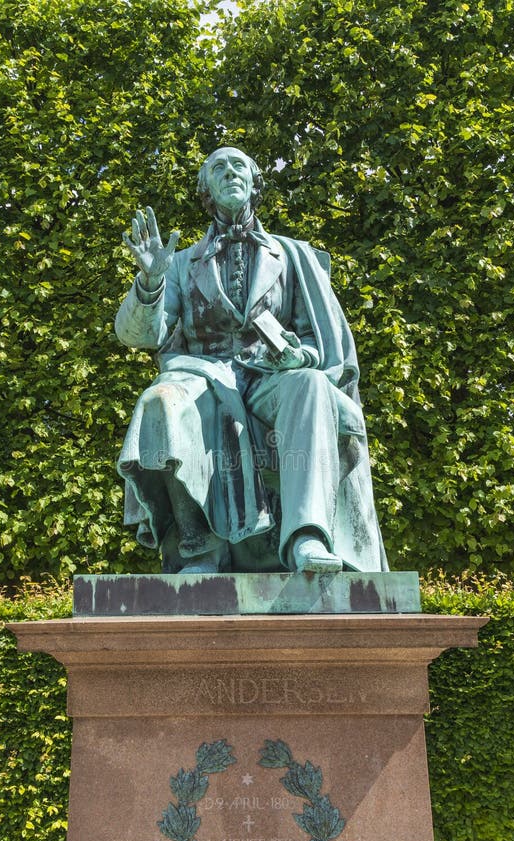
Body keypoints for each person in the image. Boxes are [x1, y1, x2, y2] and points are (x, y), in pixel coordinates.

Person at [115, 147, 388, 574]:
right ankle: (200, 548)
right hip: (204, 376)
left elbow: (321, 342)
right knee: (162, 399)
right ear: (205, 188)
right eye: (218, 168)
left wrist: (301, 355)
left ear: (254, 182)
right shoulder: (181, 263)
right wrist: (150, 279)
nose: (230, 173)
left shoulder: (292, 255)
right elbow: (138, 335)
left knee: (312, 383)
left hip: (271, 378)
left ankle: (307, 537)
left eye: (238, 165)